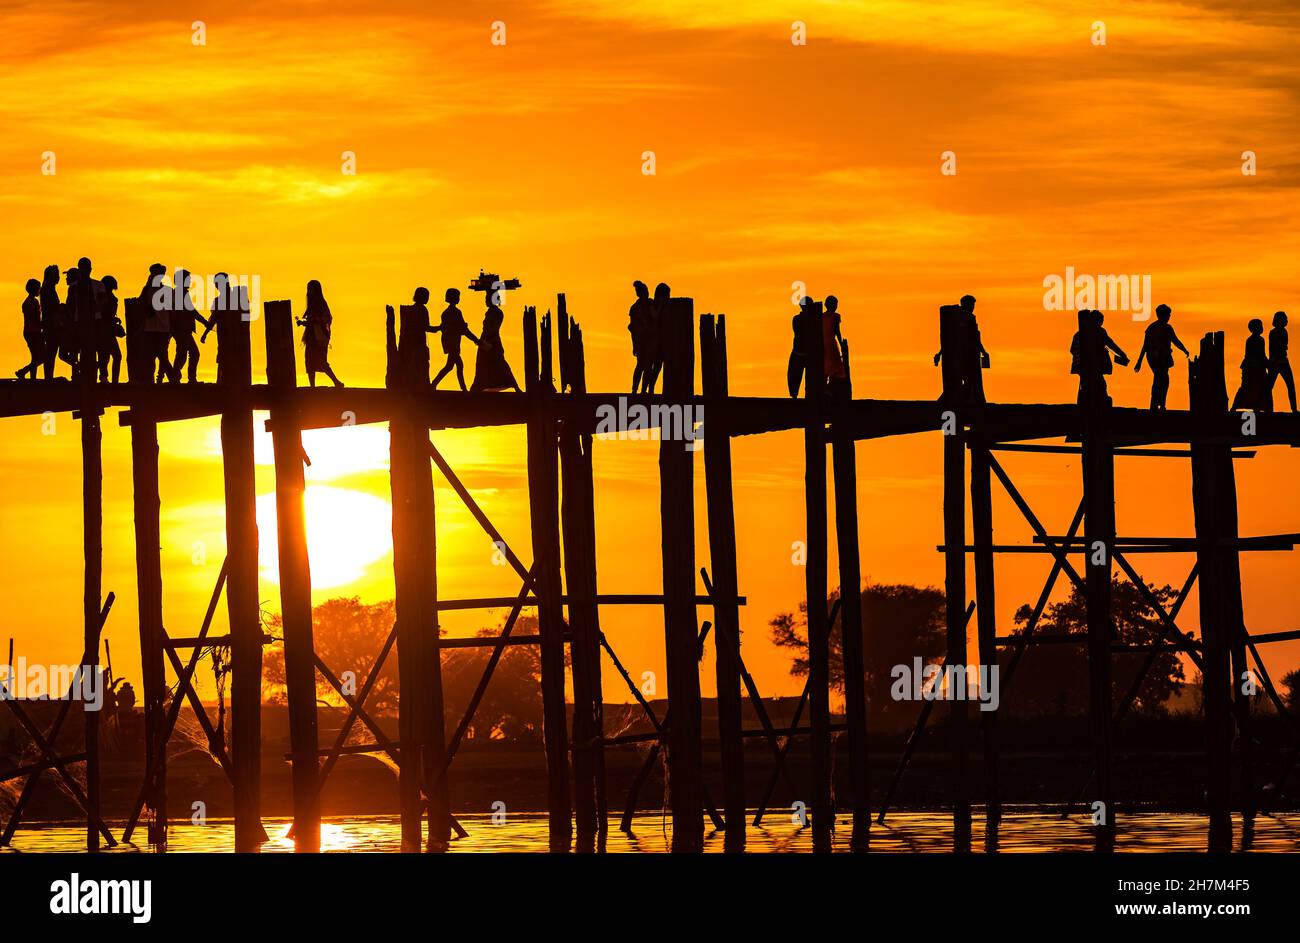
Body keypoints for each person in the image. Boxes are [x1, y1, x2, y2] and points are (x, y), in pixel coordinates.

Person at [1133, 303, 1188, 410]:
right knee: (1161, 378)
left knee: (1162, 379)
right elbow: (1145, 345)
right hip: (1155, 357)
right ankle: (1156, 404)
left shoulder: (1165, 328)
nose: (1169, 317)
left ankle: (1159, 403)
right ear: (1163, 315)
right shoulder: (1153, 328)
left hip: (1163, 357)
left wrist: (1184, 349)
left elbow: (1175, 341)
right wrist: (1139, 362)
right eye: (1168, 315)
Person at [298, 280, 344, 388]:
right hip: (310, 337)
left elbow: (327, 318)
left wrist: (315, 320)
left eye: (311, 289)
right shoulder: (311, 304)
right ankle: (312, 387)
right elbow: (311, 321)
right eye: (308, 289)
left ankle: (336, 382)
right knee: (309, 362)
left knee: (322, 362)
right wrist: (303, 322)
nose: (309, 291)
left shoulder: (322, 303)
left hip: (319, 338)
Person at [431, 287, 478, 390]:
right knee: (455, 366)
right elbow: (462, 330)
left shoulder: (446, 313)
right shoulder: (455, 312)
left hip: (451, 343)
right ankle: (463, 388)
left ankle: (435, 384)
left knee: (452, 366)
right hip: (452, 344)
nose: (459, 298)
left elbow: (458, 329)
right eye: (457, 297)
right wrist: (476, 340)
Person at [470, 299, 521, 392]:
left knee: (500, 364)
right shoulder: (490, 312)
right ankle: (477, 386)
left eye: (487, 298)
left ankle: (515, 386)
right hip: (485, 342)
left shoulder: (497, 313)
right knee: (482, 366)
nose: (485, 300)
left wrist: (485, 341)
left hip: (492, 342)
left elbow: (493, 328)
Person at [140, 264, 174, 383]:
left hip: (163, 328)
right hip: (149, 328)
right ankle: (150, 380)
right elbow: (140, 303)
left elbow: (173, 310)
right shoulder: (147, 290)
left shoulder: (168, 291)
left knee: (162, 356)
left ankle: (172, 377)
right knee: (150, 356)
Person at [169, 269, 202, 383]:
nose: (190, 281)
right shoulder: (180, 294)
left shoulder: (179, 293)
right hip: (182, 329)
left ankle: (181, 377)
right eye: (188, 278)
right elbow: (192, 311)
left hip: (182, 329)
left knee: (188, 353)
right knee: (186, 354)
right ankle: (179, 377)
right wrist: (204, 322)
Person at [1233, 318, 1271, 411]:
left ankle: (1258, 407)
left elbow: (1262, 355)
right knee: (1246, 387)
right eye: (1260, 326)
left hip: (1256, 367)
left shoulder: (1259, 340)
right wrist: (1267, 364)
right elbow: (1258, 355)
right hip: (1252, 368)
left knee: (1259, 388)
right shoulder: (1253, 340)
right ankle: (1235, 406)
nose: (1262, 328)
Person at [788, 295, 820, 398]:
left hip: (805, 353)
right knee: (794, 376)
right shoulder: (799, 319)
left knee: (805, 378)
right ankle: (795, 396)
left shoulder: (798, 319)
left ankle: (801, 396)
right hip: (800, 352)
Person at [628, 280, 657, 393]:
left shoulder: (650, 304)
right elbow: (633, 329)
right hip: (641, 340)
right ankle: (635, 389)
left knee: (647, 366)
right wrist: (635, 345)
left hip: (649, 340)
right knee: (641, 366)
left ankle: (643, 389)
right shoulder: (635, 308)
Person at [95, 275, 123, 383]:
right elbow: (105, 314)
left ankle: (104, 377)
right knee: (114, 355)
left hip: (104, 330)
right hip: (106, 330)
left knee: (104, 355)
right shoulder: (108, 298)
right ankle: (111, 379)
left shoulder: (102, 297)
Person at [1267, 311, 1295, 412]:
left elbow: (1283, 346)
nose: (1286, 321)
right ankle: (1268, 408)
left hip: (1282, 361)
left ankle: (1294, 408)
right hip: (1276, 361)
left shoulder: (1284, 331)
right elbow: (1274, 348)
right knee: (1269, 387)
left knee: (1290, 385)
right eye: (1284, 319)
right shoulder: (1274, 332)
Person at [16, 278, 42, 379]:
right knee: (41, 357)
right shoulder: (34, 302)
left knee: (35, 357)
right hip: (34, 331)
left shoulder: (26, 302)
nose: (39, 290)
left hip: (28, 331)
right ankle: (23, 371)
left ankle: (32, 378)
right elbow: (35, 319)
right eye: (38, 288)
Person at [38, 264, 61, 380]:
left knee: (51, 351)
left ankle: (49, 376)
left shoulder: (47, 288)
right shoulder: (48, 289)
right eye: (56, 274)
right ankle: (48, 377)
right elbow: (51, 307)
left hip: (49, 323)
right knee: (51, 351)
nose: (58, 277)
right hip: (51, 324)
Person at [823, 295, 848, 394]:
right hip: (831, 344)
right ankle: (830, 388)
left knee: (826, 365)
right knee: (834, 366)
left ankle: (826, 387)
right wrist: (841, 343)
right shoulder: (835, 316)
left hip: (823, 343)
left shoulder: (821, 316)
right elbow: (837, 331)